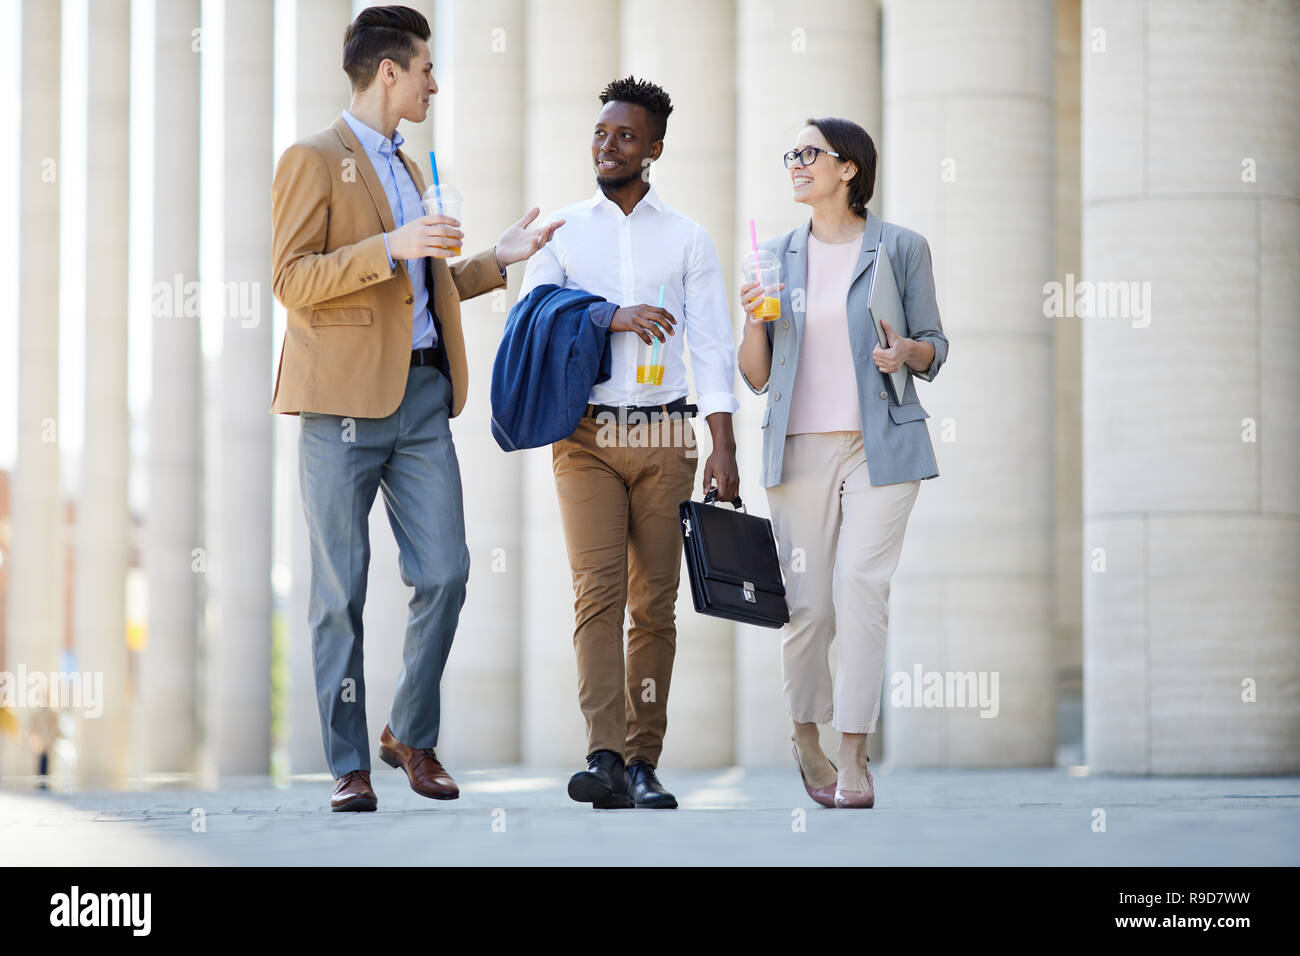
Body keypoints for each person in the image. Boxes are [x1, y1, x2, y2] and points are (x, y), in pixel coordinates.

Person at [269, 5, 561, 812]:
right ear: (389, 71)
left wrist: (493, 262)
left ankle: (407, 733)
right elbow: (292, 280)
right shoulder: (313, 158)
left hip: (425, 394)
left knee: (447, 572)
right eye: (427, 68)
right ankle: (349, 763)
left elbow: (419, 295)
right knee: (341, 591)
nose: (436, 82)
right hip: (341, 408)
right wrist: (389, 248)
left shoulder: (414, 165)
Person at [518, 77, 741, 810]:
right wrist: (608, 316)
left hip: (665, 431)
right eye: (600, 133)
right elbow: (533, 316)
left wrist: (723, 445)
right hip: (585, 436)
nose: (607, 146)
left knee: (655, 603)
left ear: (654, 149)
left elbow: (710, 348)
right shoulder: (563, 230)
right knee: (597, 597)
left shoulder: (687, 239)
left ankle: (644, 761)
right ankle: (605, 755)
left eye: (624, 137)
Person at [737, 117, 948, 809]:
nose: (795, 163)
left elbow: (934, 347)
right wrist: (751, 317)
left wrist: (904, 354)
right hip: (798, 450)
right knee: (808, 607)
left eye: (809, 153)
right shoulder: (771, 256)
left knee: (862, 585)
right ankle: (806, 736)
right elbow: (758, 378)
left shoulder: (901, 247)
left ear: (848, 169)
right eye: (790, 154)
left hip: (880, 444)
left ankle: (854, 751)